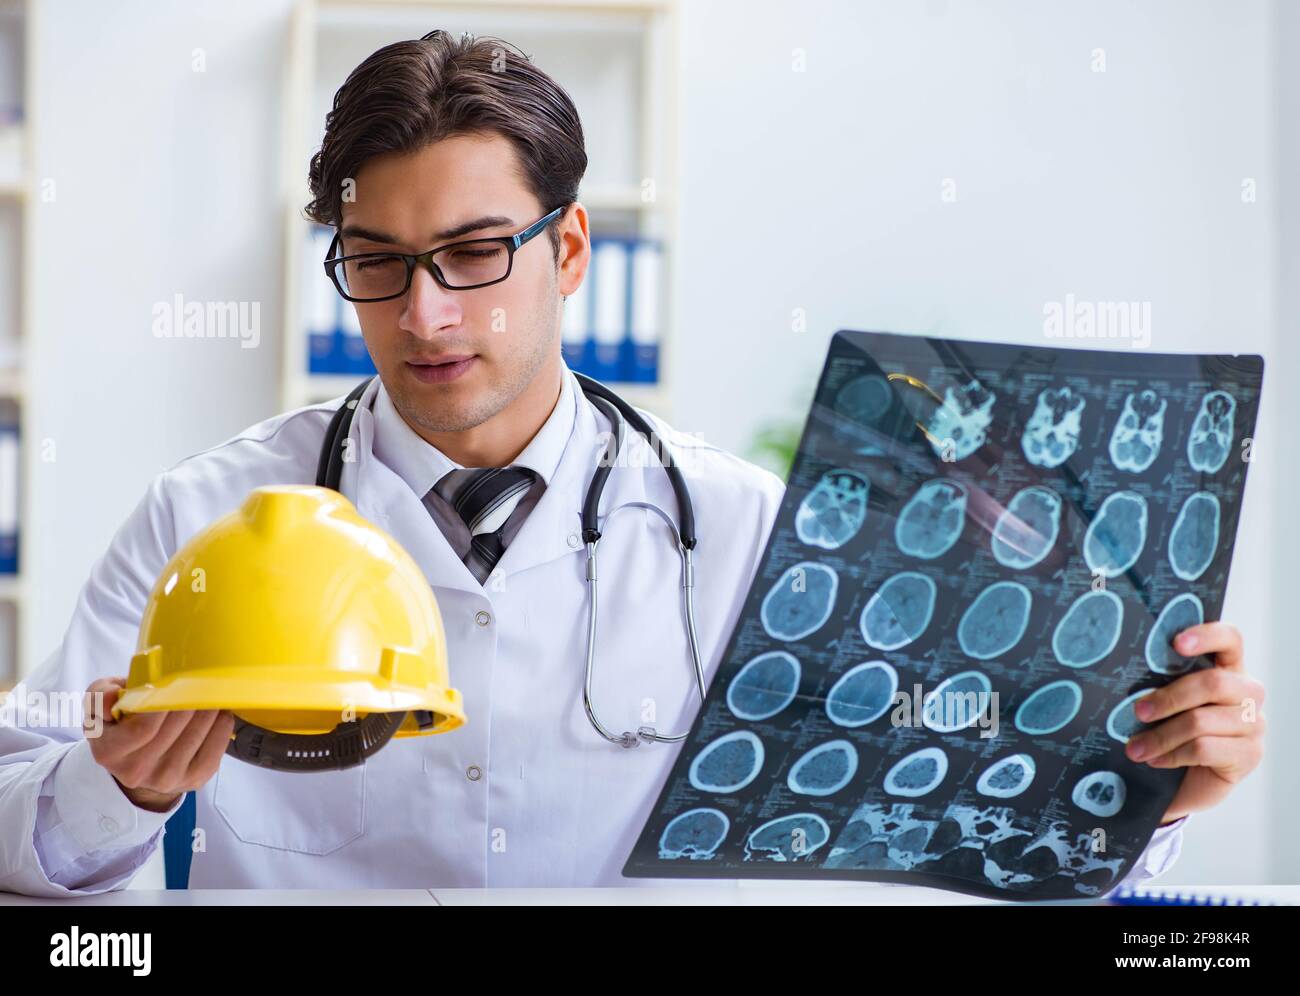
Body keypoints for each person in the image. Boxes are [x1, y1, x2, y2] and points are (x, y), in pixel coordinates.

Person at [0, 31, 1264, 897]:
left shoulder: (741, 528)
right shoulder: (207, 517)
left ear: (570, 251)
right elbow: (17, 831)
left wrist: (1154, 795)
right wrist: (109, 790)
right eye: (376, 259)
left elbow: (928, 835)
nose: (425, 313)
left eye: (476, 251)